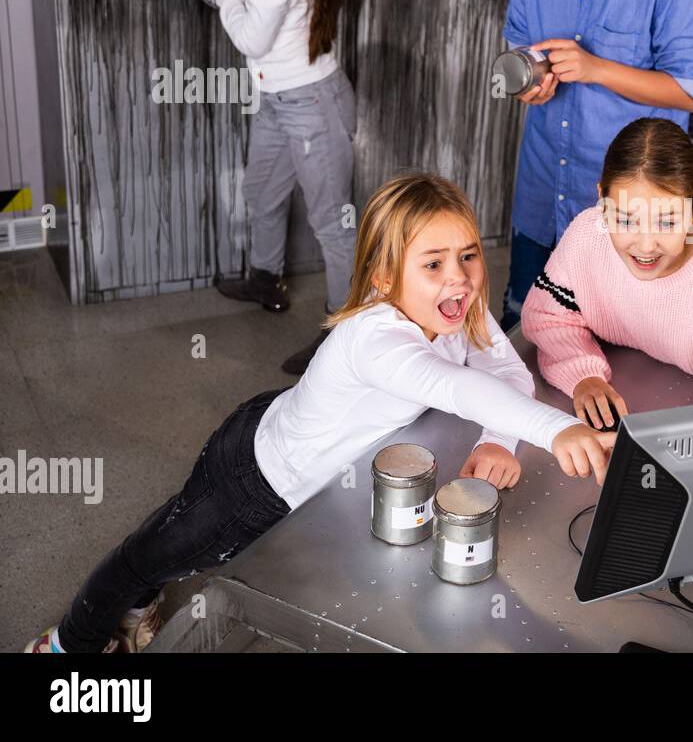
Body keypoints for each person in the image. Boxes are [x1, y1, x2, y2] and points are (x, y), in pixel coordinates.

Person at [24, 172, 614, 653]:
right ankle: (67, 647)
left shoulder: (458, 306)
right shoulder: (377, 340)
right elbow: (460, 388)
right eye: (432, 264)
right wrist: (555, 428)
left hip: (267, 424)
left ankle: (137, 600)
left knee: (173, 530)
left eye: (467, 256)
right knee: (144, 556)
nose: (458, 277)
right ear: (385, 279)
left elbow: (505, 372)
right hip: (254, 486)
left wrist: (498, 441)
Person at [500, 0, 693, 330]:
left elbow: (689, 92)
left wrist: (595, 68)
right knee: (522, 325)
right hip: (541, 185)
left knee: (609, 338)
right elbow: (518, 40)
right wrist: (530, 79)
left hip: (624, 208)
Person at [522, 118, 693, 430]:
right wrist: (583, 376)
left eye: (666, 223)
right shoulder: (586, 234)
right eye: (625, 221)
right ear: (602, 202)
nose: (646, 246)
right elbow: (547, 316)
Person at [198, 0, 353, 374]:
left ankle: (344, 333)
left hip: (311, 102)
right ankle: (267, 278)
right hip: (280, 99)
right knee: (261, 192)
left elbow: (251, 40)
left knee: (332, 223)